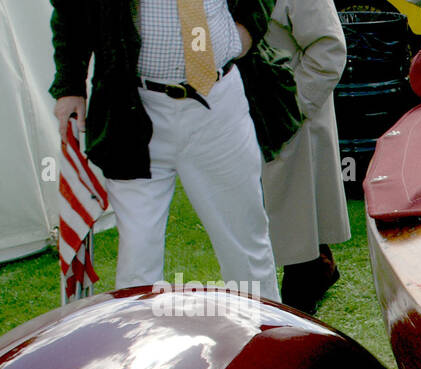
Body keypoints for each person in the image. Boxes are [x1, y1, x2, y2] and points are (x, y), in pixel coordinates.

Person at [49, 1, 303, 300]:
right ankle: (142, 341)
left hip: (219, 104)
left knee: (244, 243)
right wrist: (69, 85)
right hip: (132, 109)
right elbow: (71, 10)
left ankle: (262, 337)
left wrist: (246, 31)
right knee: (137, 256)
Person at [261, 0, 351, 314]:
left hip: (292, 116)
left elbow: (328, 49)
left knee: (298, 218)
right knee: (285, 221)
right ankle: (319, 267)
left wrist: (290, 105)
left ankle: (308, 279)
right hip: (255, 114)